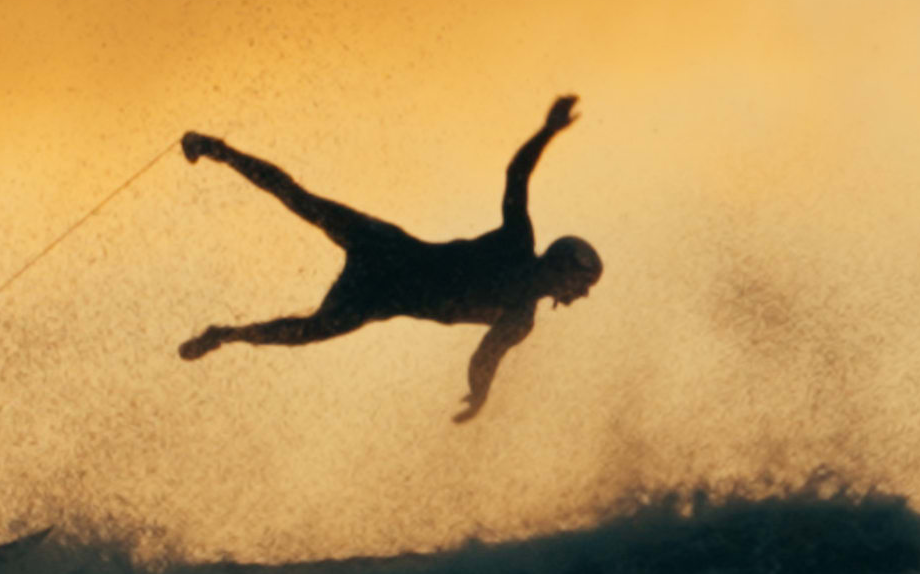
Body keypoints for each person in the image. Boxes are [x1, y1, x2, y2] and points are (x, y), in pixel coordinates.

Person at [178, 97, 603, 421]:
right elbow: (517, 174)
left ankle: (224, 335)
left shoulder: (518, 319)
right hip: (388, 248)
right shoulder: (516, 243)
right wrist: (547, 131)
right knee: (301, 200)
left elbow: (484, 358)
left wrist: (480, 393)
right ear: (560, 266)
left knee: (309, 331)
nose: (583, 295)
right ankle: (215, 148)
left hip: (379, 297)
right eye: (582, 284)